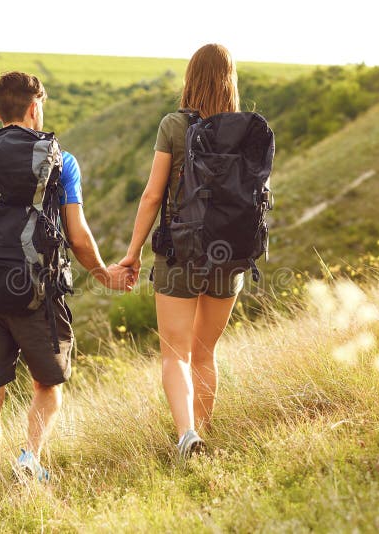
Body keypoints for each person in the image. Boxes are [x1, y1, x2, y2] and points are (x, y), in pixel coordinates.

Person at [0, 71, 133, 486]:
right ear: (34, 107)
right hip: (39, 292)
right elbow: (77, 235)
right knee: (48, 384)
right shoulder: (62, 160)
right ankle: (29, 458)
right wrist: (104, 275)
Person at [118, 44, 247, 457]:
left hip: (180, 255)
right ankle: (203, 434)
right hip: (230, 257)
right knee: (205, 352)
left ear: (191, 78)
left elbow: (152, 195)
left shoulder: (174, 126)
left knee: (176, 353)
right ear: (231, 80)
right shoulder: (247, 130)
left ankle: (188, 435)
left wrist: (133, 252)